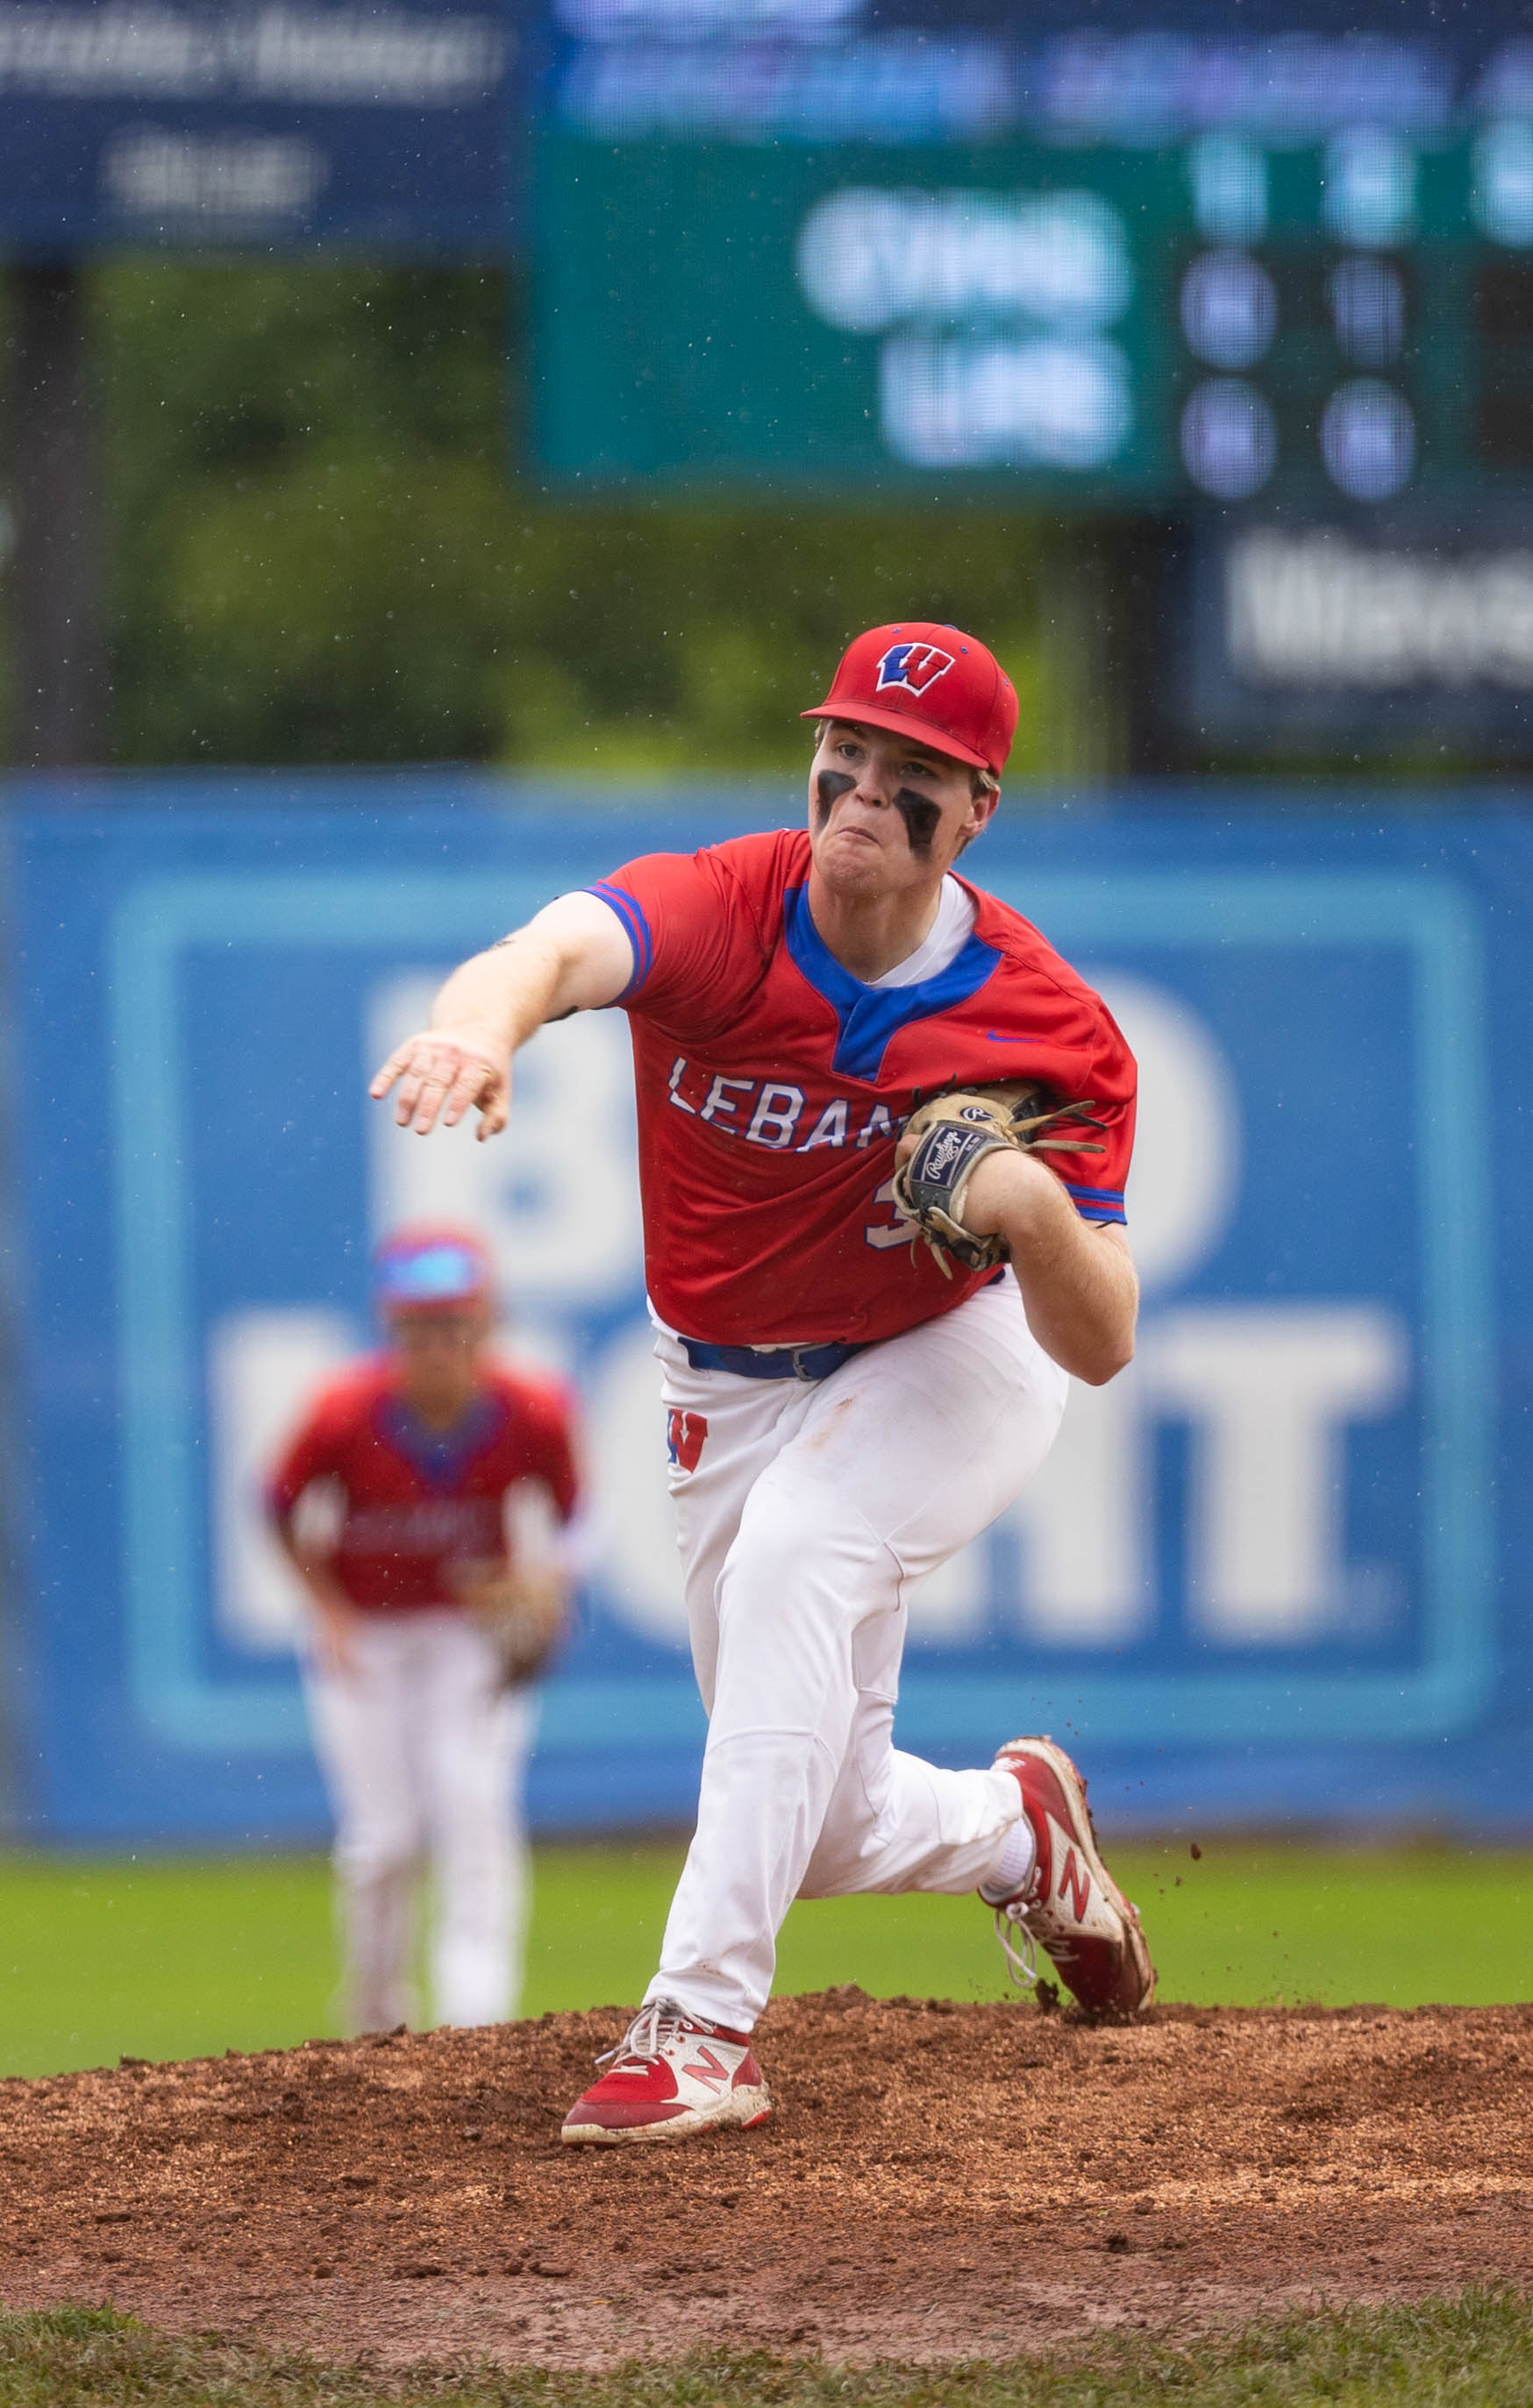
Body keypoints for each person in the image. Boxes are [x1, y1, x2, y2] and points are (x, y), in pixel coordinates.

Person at [367, 622, 1156, 2146]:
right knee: (815, 1818)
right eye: (846, 748)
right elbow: (546, 952)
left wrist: (1029, 1208)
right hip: (727, 1379)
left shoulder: (1042, 1017)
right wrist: (477, 1025)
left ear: (977, 806)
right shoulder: (720, 908)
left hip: (954, 1347)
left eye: (912, 769)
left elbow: (1102, 1340)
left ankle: (701, 2026)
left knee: (804, 1544)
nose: (863, 785)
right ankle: (1016, 1830)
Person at [263, 1224, 581, 2035]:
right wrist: (327, 1611)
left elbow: (581, 1517)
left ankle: (476, 2025)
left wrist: (549, 1581)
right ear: (391, 1327)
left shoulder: (531, 1410)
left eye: (454, 1322)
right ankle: (376, 2019)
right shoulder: (344, 1412)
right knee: (382, 1842)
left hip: (469, 1635)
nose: (438, 1343)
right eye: (419, 1325)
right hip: (367, 1632)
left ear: (486, 1323)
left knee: (475, 1816)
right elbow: (277, 1507)